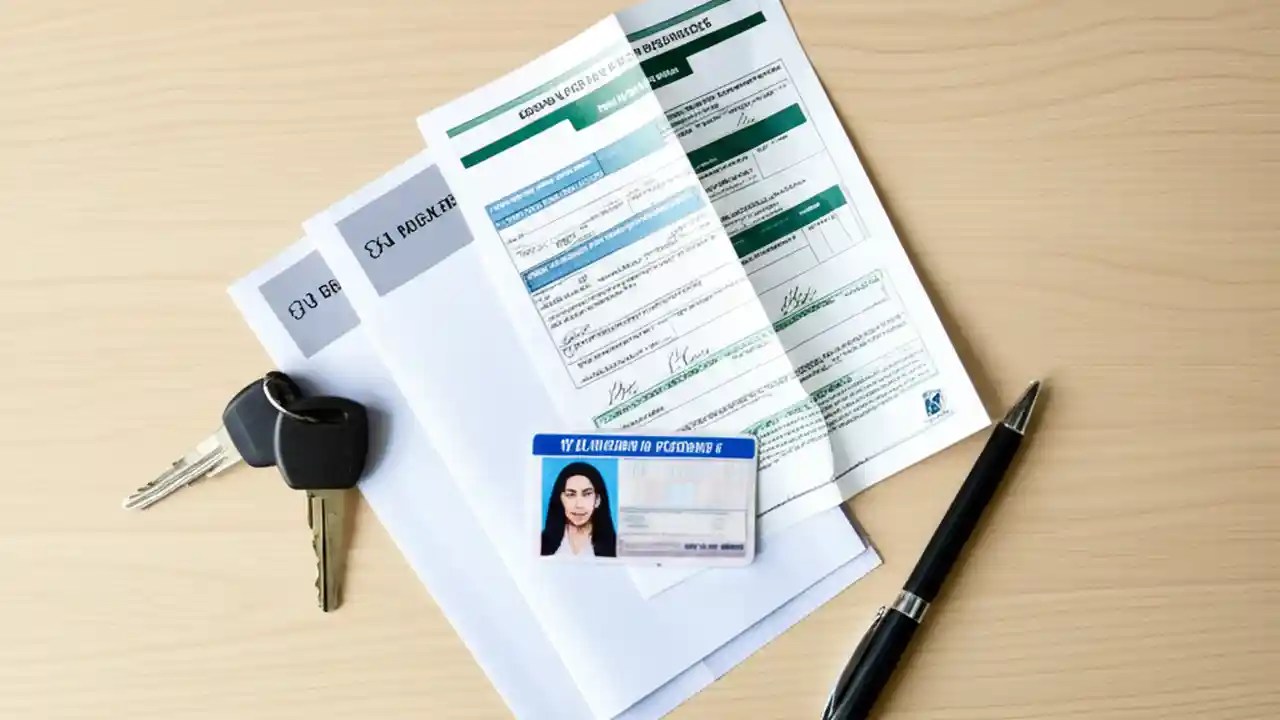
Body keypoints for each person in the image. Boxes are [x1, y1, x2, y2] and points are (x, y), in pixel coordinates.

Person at [541, 461, 617, 557]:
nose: (579, 505)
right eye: (571, 495)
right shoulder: (541, 543)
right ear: (561, 499)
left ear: (597, 500)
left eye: (587, 494)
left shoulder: (615, 546)